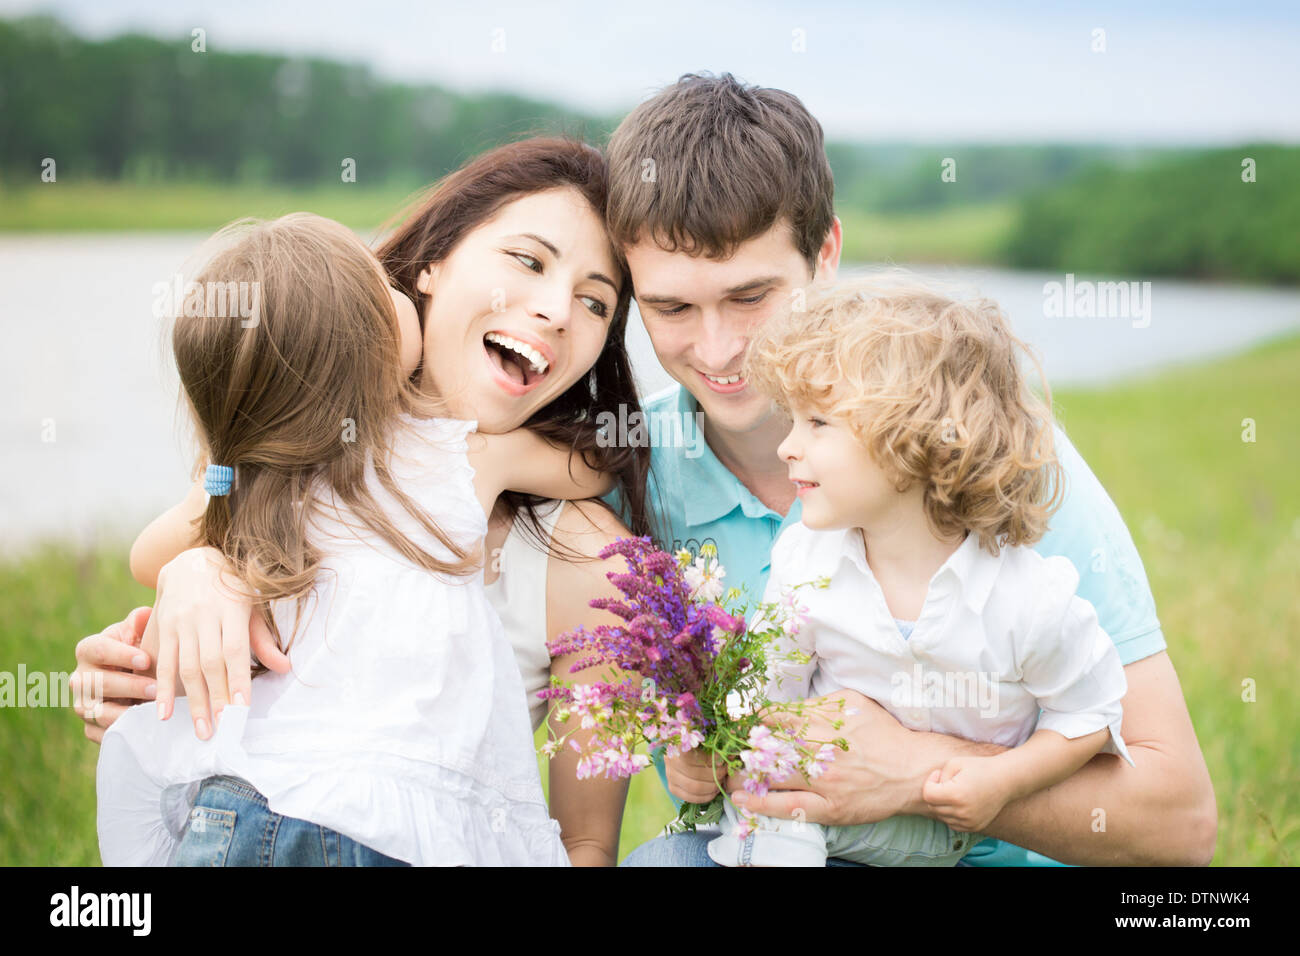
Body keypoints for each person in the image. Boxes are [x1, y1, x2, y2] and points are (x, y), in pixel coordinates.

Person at [601, 73, 1216, 866]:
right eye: (671, 310)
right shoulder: (628, 472)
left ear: (825, 255)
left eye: (751, 296)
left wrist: (917, 771)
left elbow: (1181, 826)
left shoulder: (979, 447)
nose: (718, 352)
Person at [76, 138, 650, 866]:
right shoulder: (304, 442)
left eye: (596, 301)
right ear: (432, 263)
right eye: (527, 261)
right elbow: (179, 550)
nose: (558, 311)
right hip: (260, 808)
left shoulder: (579, 555)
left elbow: (586, 844)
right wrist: (198, 574)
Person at [702, 275, 1137, 866]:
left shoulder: (1027, 598)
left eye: (818, 423)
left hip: (952, 840)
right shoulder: (806, 557)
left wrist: (1003, 781)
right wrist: (721, 738)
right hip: (823, 824)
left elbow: (1088, 714)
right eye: (793, 420)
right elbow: (774, 679)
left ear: (914, 442)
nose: (788, 446)